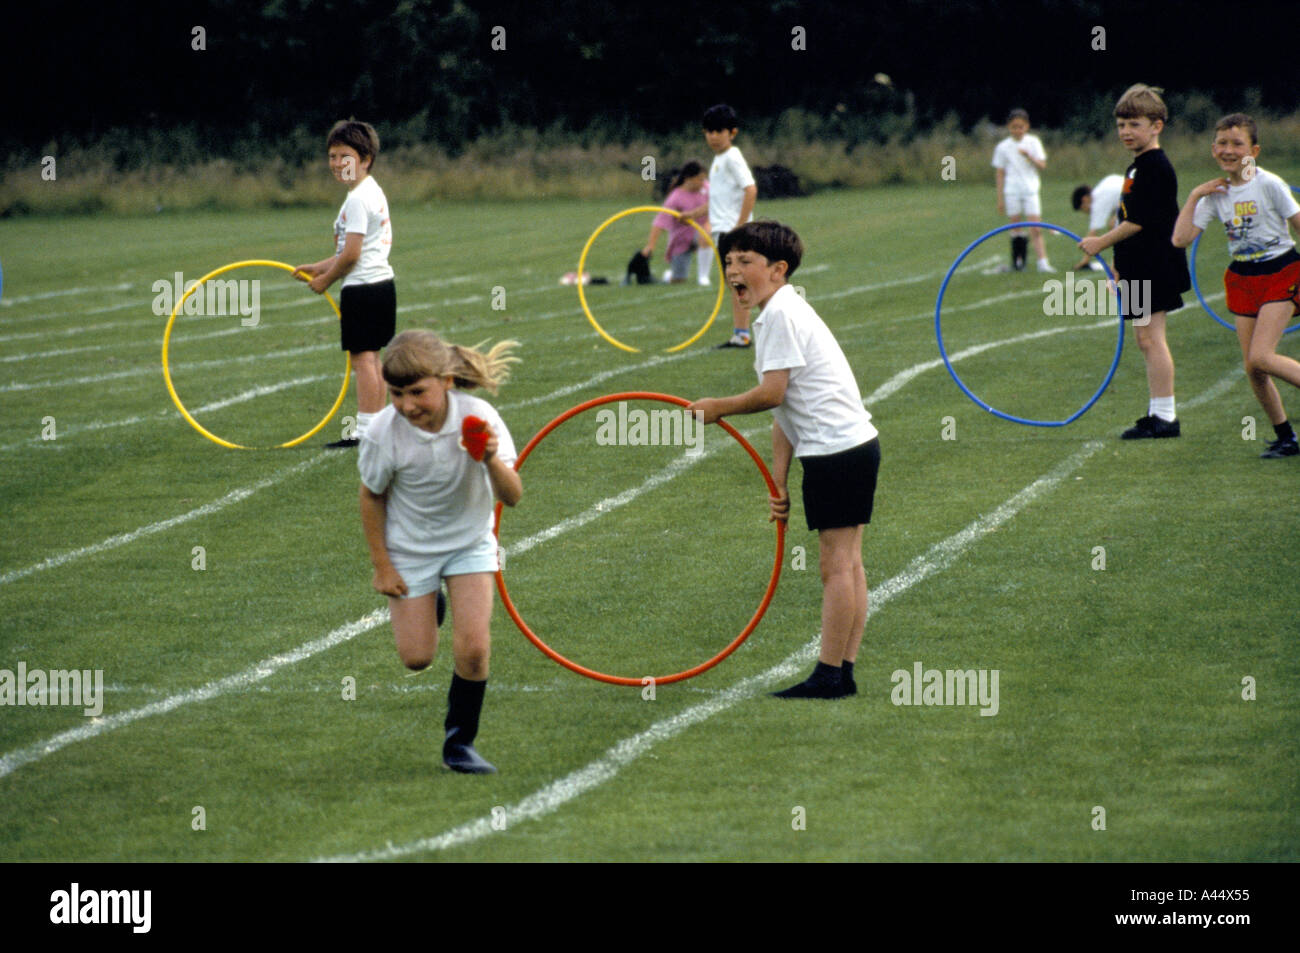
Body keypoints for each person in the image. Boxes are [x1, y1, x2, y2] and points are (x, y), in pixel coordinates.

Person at [688, 222, 880, 699]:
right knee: (850, 564)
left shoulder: (779, 316)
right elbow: (786, 407)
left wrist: (718, 407)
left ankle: (830, 674)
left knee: (836, 567)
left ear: (778, 270)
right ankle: (842, 671)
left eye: (745, 261)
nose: (734, 270)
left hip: (835, 452)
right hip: (853, 447)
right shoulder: (783, 310)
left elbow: (772, 394)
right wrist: (778, 480)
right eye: (728, 262)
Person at [358, 330, 522, 773]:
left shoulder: (478, 416)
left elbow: (514, 495)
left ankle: (459, 744)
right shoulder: (382, 432)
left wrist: (488, 458)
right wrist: (382, 566)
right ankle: (432, 601)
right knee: (417, 658)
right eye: (396, 394)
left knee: (472, 649)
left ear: (447, 381)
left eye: (418, 392)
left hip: (469, 543)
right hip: (410, 551)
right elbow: (371, 497)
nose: (407, 405)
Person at [1172, 113, 1300, 459]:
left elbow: (1297, 222)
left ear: (1253, 150)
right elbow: (1180, 238)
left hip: (1281, 271)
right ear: (1214, 149)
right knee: (1253, 367)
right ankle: (1285, 437)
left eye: (1237, 144)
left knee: (1262, 355)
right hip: (1243, 279)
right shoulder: (1215, 194)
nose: (1229, 150)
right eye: (1223, 144)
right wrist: (1195, 195)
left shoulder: (1269, 183)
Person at [1079, 84, 1190, 440]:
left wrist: (1098, 243)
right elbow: (1127, 215)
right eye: (1121, 125)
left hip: (1155, 264)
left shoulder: (1155, 166)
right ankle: (1158, 412)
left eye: (1134, 124)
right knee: (1145, 339)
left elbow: (1139, 222)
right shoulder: (1136, 168)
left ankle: (1166, 417)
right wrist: (1117, 262)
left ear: (1157, 125)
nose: (1126, 132)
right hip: (1137, 265)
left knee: (1152, 338)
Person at [294, 119, 395, 449]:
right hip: (380, 284)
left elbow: (351, 256)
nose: (337, 164)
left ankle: (366, 432)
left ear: (365, 159)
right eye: (333, 156)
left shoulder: (356, 199)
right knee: (372, 359)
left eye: (345, 156)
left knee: (363, 360)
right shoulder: (370, 190)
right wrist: (318, 266)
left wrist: (325, 280)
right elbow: (350, 251)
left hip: (363, 288)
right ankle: (375, 428)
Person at [703, 104, 759, 347]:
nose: (713, 136)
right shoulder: (718, 160)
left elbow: (750, 189)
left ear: (732, 132)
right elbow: (717, 200)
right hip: (723, 231)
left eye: (719, 131)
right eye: (709, 131)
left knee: (740, 284)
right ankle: (741, 333)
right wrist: (691, 215)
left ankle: (742, 335)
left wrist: (739, 227)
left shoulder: (732, 157)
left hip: (732, 232)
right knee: (736, 284)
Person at [992, 109, 1053, 273]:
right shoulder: (1003, 147)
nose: (1017, 130)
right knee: (1016, 228)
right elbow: (1000, 173)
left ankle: (1043, 262)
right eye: (1013, 127)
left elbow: (1042, 165)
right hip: (1012, 191)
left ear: (1026, 126)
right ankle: (1019, 262)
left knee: (1035, 227)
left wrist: (1029, 156)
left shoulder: (1033, 142)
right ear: (1008, 127)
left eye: (1020, 127)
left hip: (1030, 190)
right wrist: (1000, 199)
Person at [641, 161, 710, 283]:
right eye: (700, 179)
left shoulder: (706, 188)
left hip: (701, 232)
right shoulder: (675, 197)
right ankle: (669, 275)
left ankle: (703, 277)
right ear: (689, 178)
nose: (703, 182)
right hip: (680, 239)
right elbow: (659, 223)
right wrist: (650, 246)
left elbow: (716, 206)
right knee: (679, 280)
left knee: (707, 235)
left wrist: (708, 223)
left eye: (704, 179)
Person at [1071, 174, 1124, 270]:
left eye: (1083, 209)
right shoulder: (1099, 191)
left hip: (1135, 196)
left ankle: (1122, 258)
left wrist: (1085, 261)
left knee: (1116, 226)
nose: (1086, 212)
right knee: (1114, 224)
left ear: (1084, 200)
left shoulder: (1098, 203)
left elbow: (1093, 233)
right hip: (1132, 191)